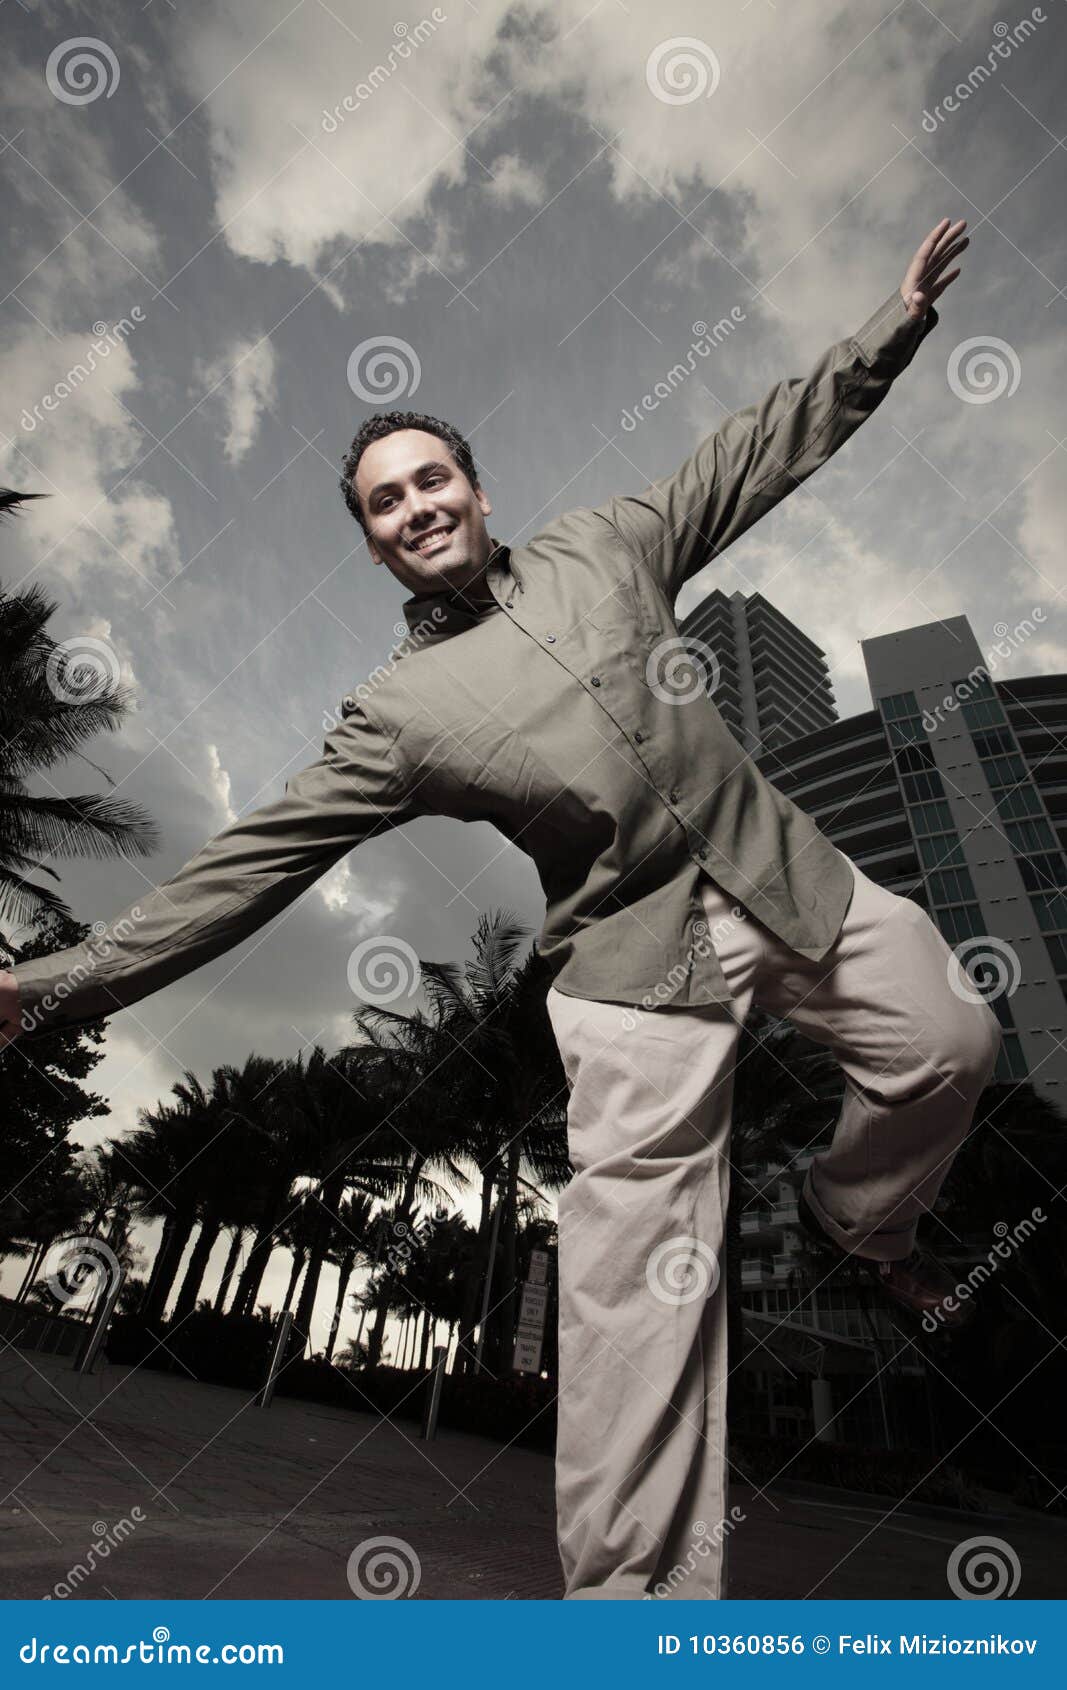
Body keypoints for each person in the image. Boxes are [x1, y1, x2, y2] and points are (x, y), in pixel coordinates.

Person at [1, 218, 998, 1600]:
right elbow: (249, 867)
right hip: (633, 973)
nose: (416, 507)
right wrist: (49, 983)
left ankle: (861, 1219)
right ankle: (629, 1618)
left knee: (952, 1037)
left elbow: (749, 454)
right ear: (373, 545)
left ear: (476, 487)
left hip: (782, 878)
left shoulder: (606, 548)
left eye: (431, 479)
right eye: (384, 504)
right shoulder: (397, 716)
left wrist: (890, 327)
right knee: (638, 1300)